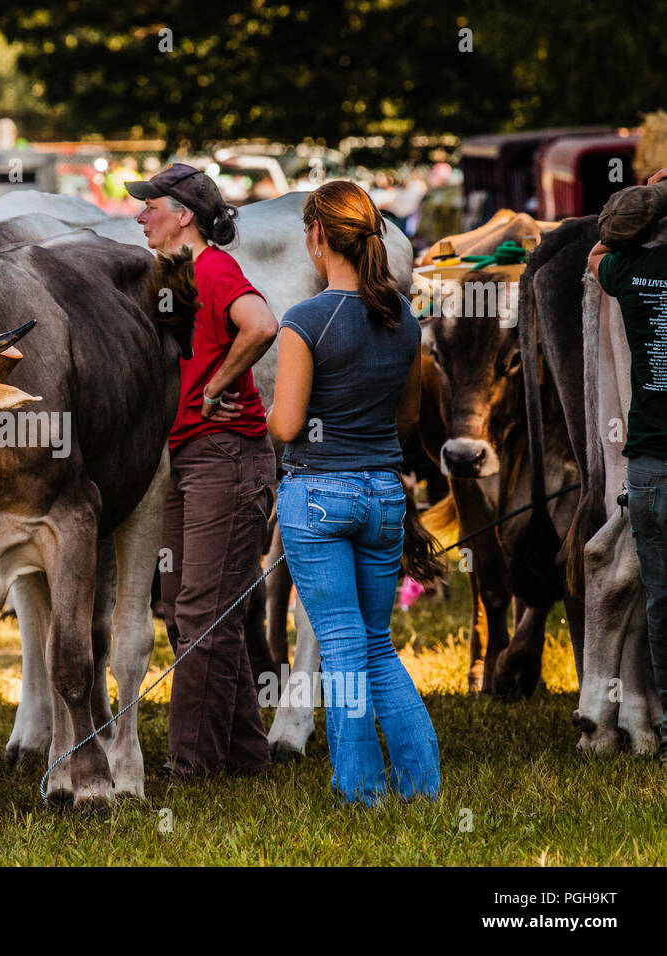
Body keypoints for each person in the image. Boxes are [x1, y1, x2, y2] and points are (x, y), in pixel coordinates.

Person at [268, 179, 439, 806]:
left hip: (317, 495)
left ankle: (361, 792)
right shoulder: (404, 321)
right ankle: (421, 790)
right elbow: (406, 417)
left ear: (316, 236)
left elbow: (287, 426)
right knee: (376, 645)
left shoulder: (304, 320)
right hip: (384, 494)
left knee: (339, 646)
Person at [128, 163, 280, 777]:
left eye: (151, 206)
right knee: (192, 608)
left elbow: (262, 324)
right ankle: (244, 754)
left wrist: (216, 387)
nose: (140, 216)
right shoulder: (170, 275)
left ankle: (191, 764)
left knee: (202, 612)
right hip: (185, 459)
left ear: (184, 215)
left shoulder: (213, 268)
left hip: (228, 456)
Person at [589, 167, 667, 764]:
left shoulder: (622, 273)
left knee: (661, 597)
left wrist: (642, 203)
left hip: (648, 461)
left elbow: (598, 252)